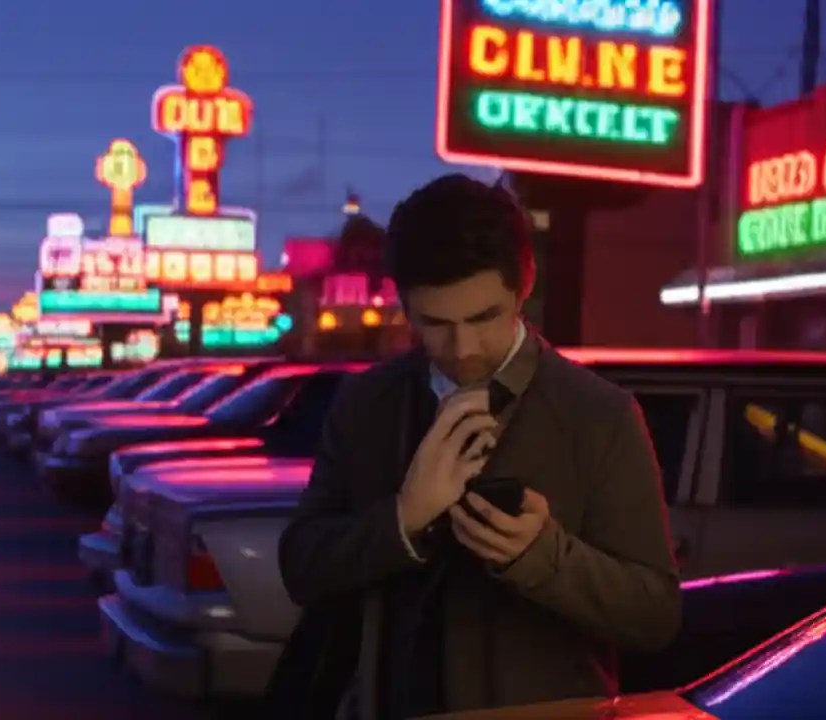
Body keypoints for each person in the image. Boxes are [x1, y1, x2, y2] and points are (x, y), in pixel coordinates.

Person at [277, 174, 680, 719]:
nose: (462, 348)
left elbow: (654, 615)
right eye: (434, 323)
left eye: (484, 318)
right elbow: (302, 566)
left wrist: (540, 555)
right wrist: (402, 520)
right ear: (404, 304)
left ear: (524, 286)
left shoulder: (598, 415)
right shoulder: (367, 402)